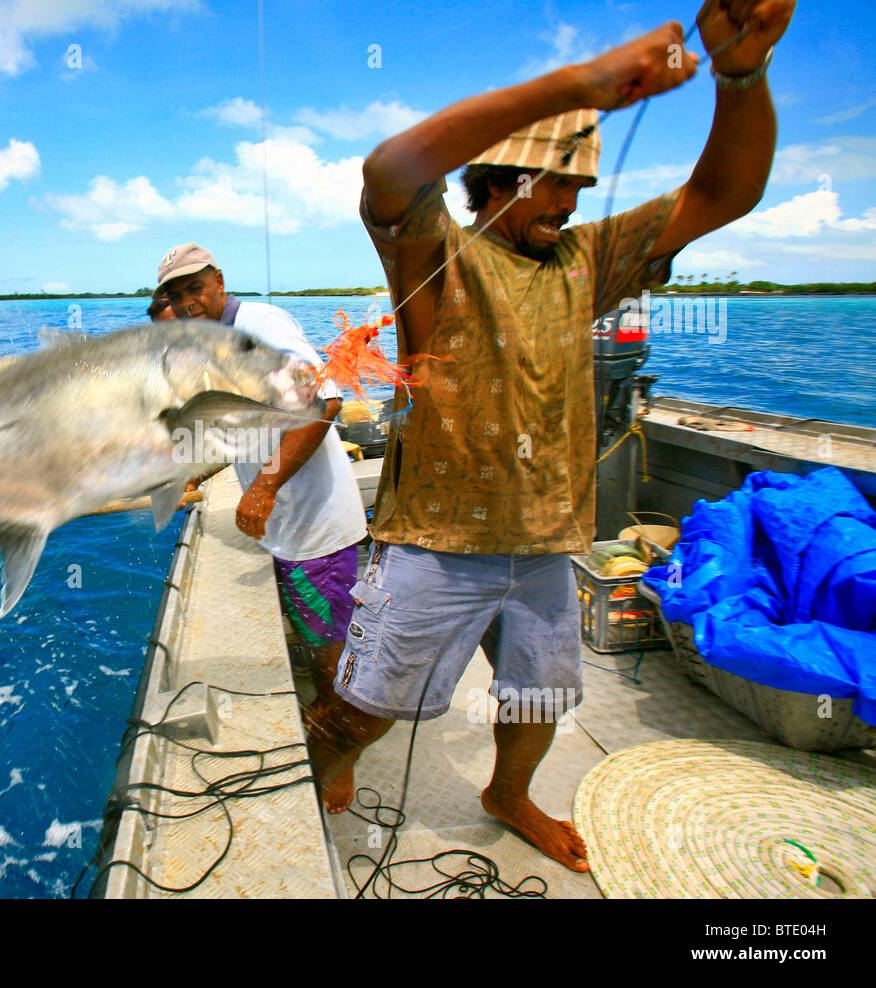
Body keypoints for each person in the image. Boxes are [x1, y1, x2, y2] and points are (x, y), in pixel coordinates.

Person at [309, 4, 795, 866]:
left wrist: (741, 75)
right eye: (557, 183)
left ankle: (508, 792)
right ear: (500, 177)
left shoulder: (587, 259)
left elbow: (724, 193)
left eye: (579, 189)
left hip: (546, 544)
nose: (571, 205)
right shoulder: (437, 250)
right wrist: (580, 85)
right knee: (364, 707)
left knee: (536, 701)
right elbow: (388, 168)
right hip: (434, 538)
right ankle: (336, 755)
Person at [153, 243, 367, 792]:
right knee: (314, 628)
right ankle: (327, 711)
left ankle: (342, 754)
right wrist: (196, 474)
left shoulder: (263, 325)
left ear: (218, 280)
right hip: (283, 527)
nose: (187, 302)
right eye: (176, 295)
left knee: (327, 638)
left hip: (314, 525)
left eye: (194, 288)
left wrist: (266, 486)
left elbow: (323, 403)